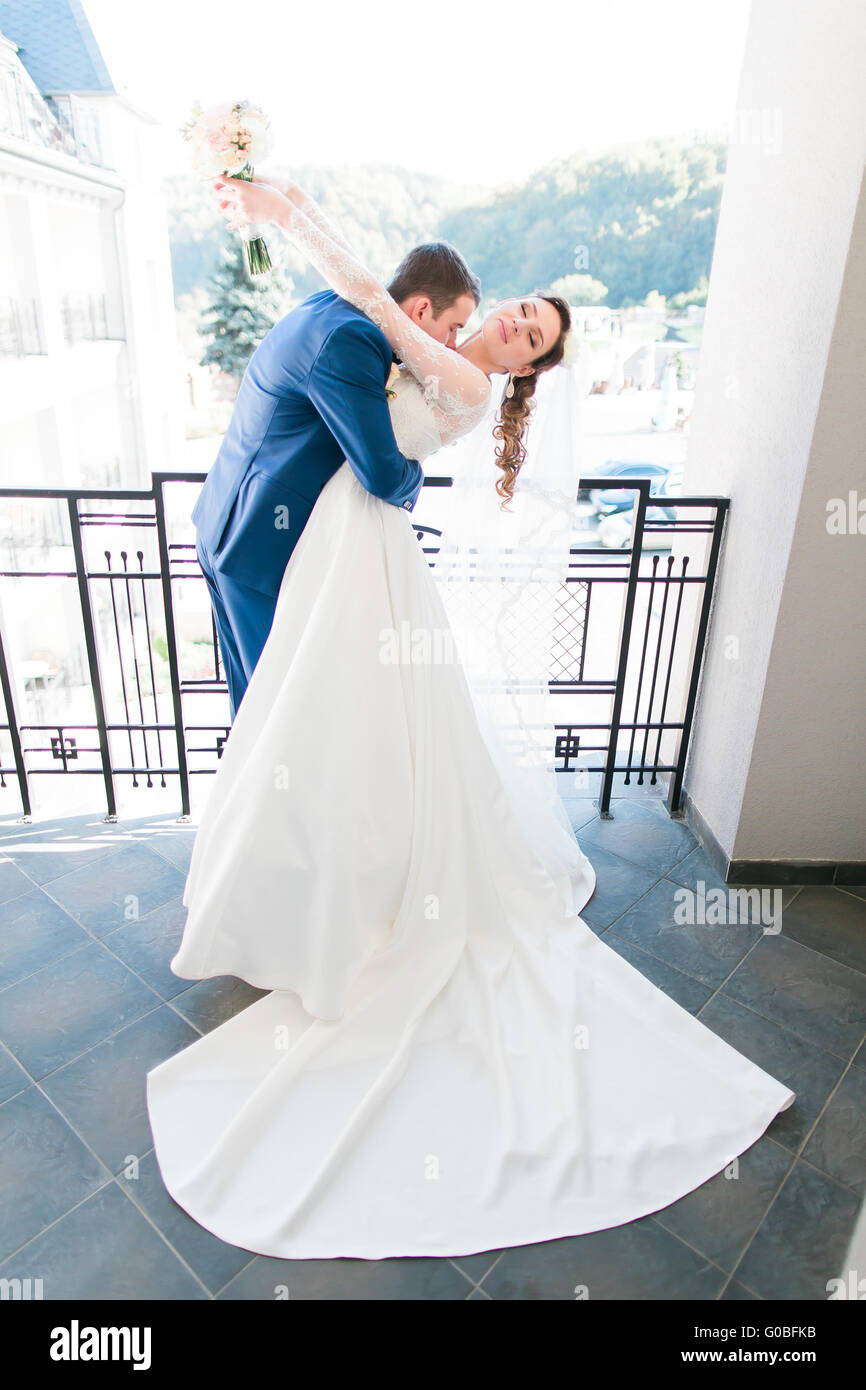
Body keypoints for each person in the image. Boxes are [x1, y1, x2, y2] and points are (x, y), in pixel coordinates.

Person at [145, 174, 795, 1262]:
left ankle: (347, 895)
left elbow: (373, 331)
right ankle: (322, 880)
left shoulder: (458, 377)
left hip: (364, 554)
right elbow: (367, 301)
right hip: (341, 557)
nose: (508, 321)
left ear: (525, 365)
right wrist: (284, 204)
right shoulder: (423, 346)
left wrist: (295, 211)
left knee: (347, 732)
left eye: (527, 330)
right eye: (514, 307)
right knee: (332, 733)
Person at [192, 224, 480, 717]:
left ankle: (260, 795)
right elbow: (383, 474)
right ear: (421, 309)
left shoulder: (331, 303)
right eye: (453, 327)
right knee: (274, 714)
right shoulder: (354, 340)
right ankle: (271, 797)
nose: (452, 344)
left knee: (255, 706)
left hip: (228, 522)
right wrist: (418, 473)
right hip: (256, 542)